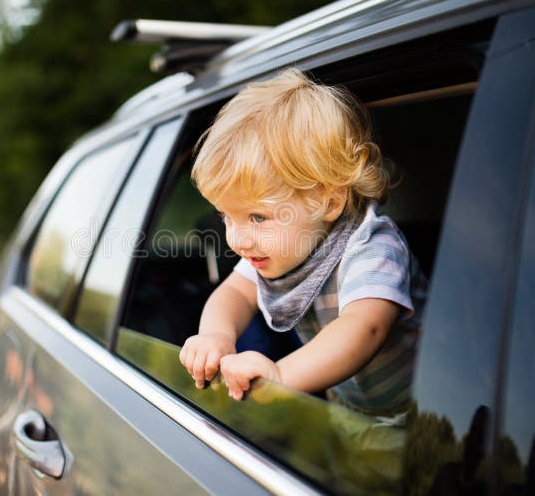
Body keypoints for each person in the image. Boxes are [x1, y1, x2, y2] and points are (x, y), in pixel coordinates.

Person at [179, 68, 427, 419]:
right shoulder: (273, 250)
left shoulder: (372, 247)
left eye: (258, 217)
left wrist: (281, 376)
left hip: (420, 411)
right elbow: (234, 293)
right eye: (226, 217)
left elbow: (364, 327)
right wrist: (216, 336)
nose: (237, 240)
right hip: (349, 408)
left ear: (329, 202)